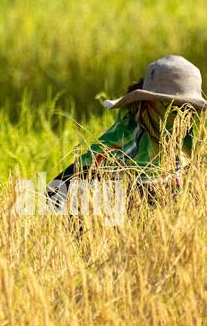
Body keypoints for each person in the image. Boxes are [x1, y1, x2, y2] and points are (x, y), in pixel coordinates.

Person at [46, 55, 205, 220]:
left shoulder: (188, 146)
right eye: (173, 107)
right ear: (148, 103)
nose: (182, 117)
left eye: (189, 110)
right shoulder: (119, 146)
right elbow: (53, 195)